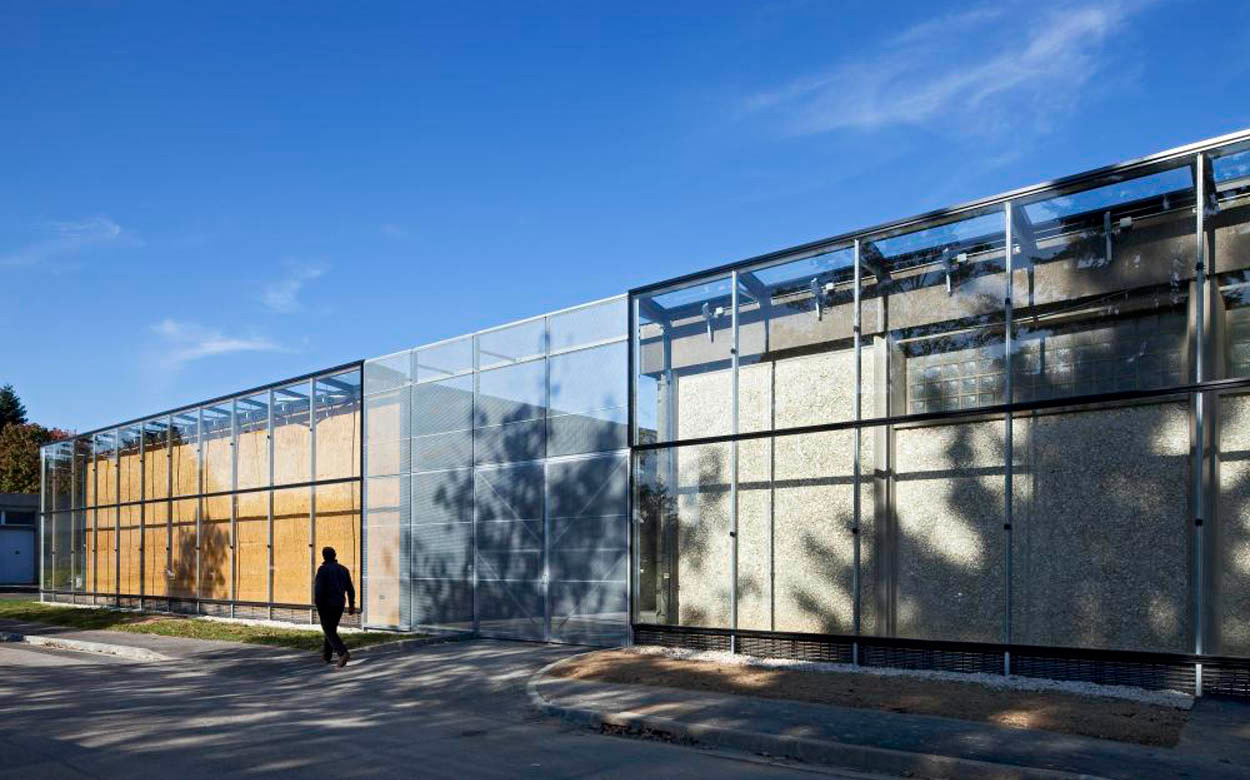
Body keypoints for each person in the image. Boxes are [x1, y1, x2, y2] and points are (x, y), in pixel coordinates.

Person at [314, 546, 356, 668]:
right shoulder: (344, 569)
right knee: (330, 628)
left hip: (326, 605)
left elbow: (319, 590)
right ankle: (327, 656)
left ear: (324, 556)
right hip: (339, 604)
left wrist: (318, 604)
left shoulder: (323, 570)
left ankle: (342, 653)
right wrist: (352, 604)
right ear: (335, 555)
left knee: (328, 629)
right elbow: (350, 589)